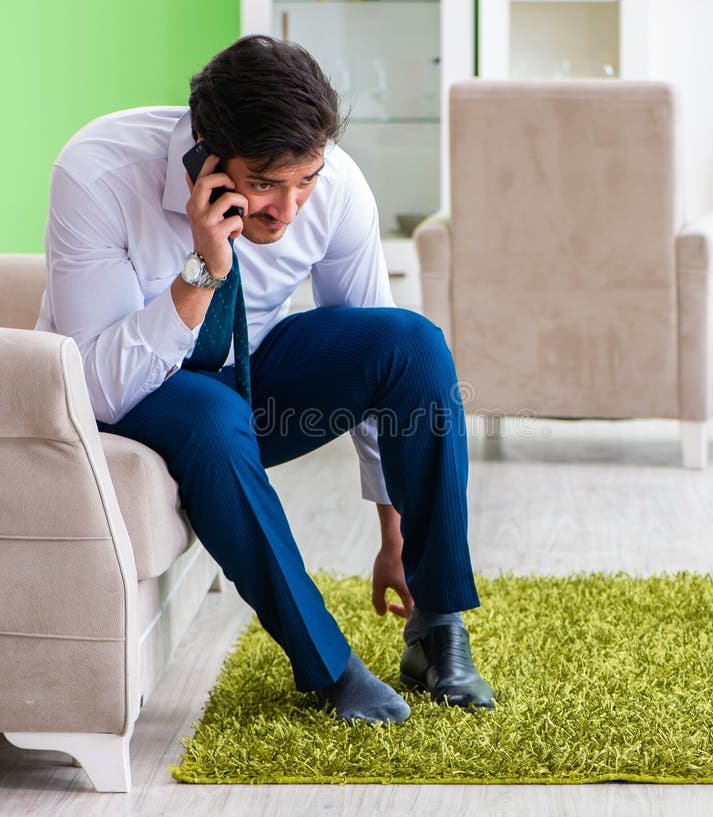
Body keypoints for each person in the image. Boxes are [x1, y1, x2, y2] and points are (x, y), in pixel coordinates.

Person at [38, 34, 493, 724]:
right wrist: (202, 271)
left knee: (413, 346)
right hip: (133, 386)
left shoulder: (333, 190)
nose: (288, 209)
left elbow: (380, 369)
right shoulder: (99, 173)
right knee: (212, 420)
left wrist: (392, 533)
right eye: (264, 185)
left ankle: (437, 625)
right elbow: (96, 387)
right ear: (204, 154)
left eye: (304, 179)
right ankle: (332, 668)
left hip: (250, 379)